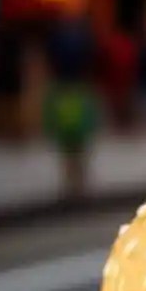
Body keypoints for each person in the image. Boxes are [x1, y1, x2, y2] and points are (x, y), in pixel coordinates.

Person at [43, 13, 100, 204]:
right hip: (75, 90)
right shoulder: (82, 42)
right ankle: (78, 184)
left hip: (66, 91)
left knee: (70, 146)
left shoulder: (59, 43)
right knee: (77, 146)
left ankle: (73, 184)